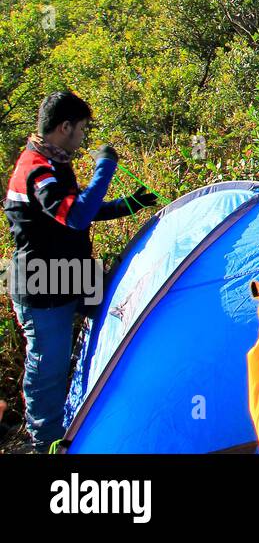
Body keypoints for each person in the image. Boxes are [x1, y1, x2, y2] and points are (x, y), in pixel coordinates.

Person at [4, 91, 158, 451]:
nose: (84, 138)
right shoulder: (36, 169)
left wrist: (129, 204)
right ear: (65, 126)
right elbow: (74, 217)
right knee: (47, 370)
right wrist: (105, 167)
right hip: (42, 285)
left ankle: (98, 414)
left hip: (72, 274)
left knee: (122, 321)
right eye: (82, 130)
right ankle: (47, 445)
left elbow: (78, 210)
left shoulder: (55, 161)